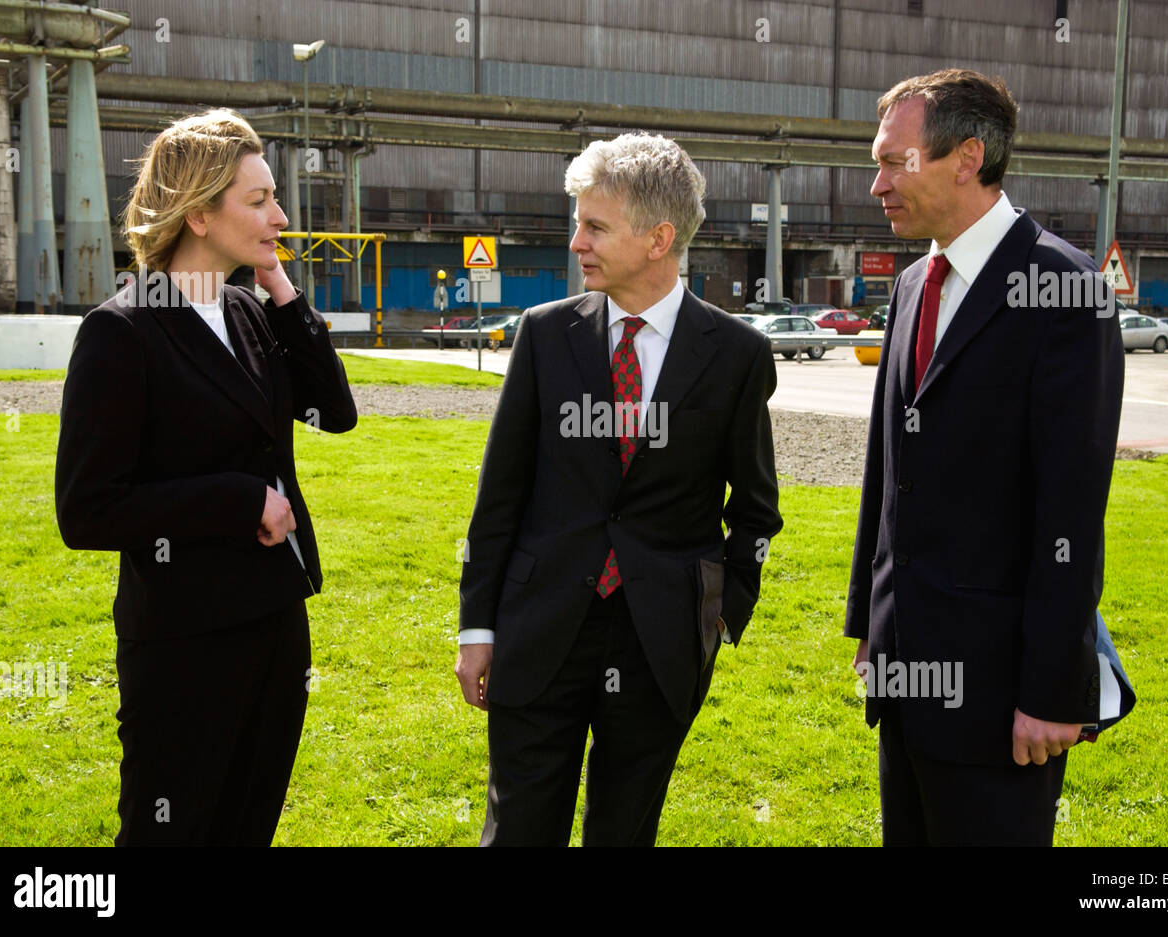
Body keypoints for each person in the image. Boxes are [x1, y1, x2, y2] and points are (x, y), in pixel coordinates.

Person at [455, 132, 783, 846]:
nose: (577, 242)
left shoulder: (737, 355)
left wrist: (722, 613)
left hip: (658, 643)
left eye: (595, 226)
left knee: (624, 832)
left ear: (659, 237)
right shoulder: (544, 335)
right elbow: (499, 495)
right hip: (539, 629)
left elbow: (757, 508)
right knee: (516, 831)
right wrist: (477, 626)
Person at [54, 109, 357, 845]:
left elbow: (334, 411)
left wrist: (282, 290)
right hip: (185, 642)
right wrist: (236, 500)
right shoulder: (122, 331)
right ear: (197, 214)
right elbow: (87, 510)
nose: (280, 215)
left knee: (248, 827)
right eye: (258, 201)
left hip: (277, 620)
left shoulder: (252, 312)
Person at [844, 69, 1124, 846]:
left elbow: (1071, 511)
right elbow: (887, 469)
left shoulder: (1067, 292)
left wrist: (1051, 689)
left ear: (967, 158)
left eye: (895, 162)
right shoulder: (909, 287)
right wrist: (872, 618)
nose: (877, 185)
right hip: (904, 676)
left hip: (1006, 702)